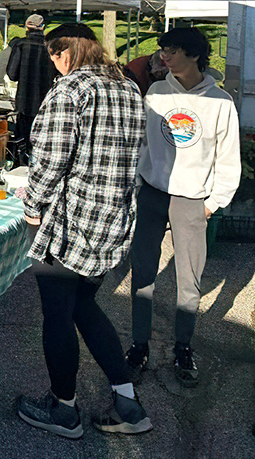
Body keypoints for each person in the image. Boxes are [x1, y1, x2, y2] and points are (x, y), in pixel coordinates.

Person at [15, 24, 151, 440]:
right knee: (84, 307)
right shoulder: (129, 88)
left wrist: (32, 205)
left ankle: (64, 408)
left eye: (53, 56)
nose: (53, 65)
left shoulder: (71, 91)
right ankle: (127, 401)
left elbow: (51, 161)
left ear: (65, 52)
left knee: (57, 314)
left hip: (73, 222)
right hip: (112, 219)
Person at [126, 26, 241, 387]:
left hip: (193, 198)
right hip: (153, 192)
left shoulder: (220, 102)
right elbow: (141, 143)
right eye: (162, 50)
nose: (164, 56)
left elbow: (227, 158)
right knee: (142, 273)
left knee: (188, 279)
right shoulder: (157, 93)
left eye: (172, 50)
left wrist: (213, 203)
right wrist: (138, 184)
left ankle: (183, 347)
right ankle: (139, 345)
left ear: (194, 55)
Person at [6, 14, 56, 161]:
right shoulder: (50, 47)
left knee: (23, 141)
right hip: (44, 101)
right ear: (43, 27)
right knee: (41, 142)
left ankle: (22, 164)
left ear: (27, 27)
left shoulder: (20, 45)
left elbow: (12, 74)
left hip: (24, 101)